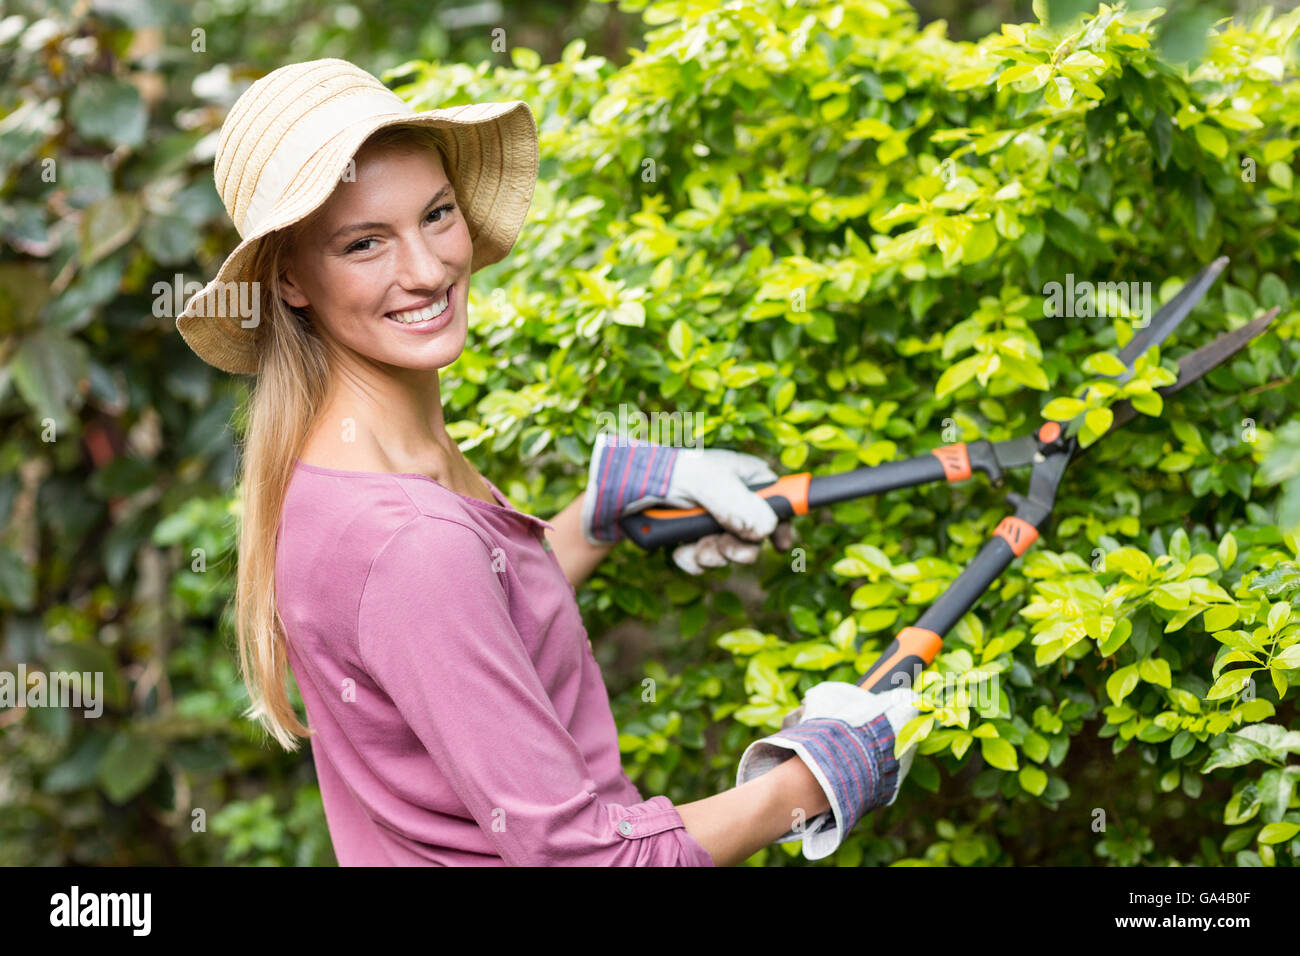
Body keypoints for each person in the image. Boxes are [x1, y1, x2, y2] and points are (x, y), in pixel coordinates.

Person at [175, 58, 920, 866]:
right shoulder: (408, 541)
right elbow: (592, 861)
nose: (426, 271)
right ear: (289, 280)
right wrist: (814, 778)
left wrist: (601, 512)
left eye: (436, 214)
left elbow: (467, 635)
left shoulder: (345, 469)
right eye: (364, 244)